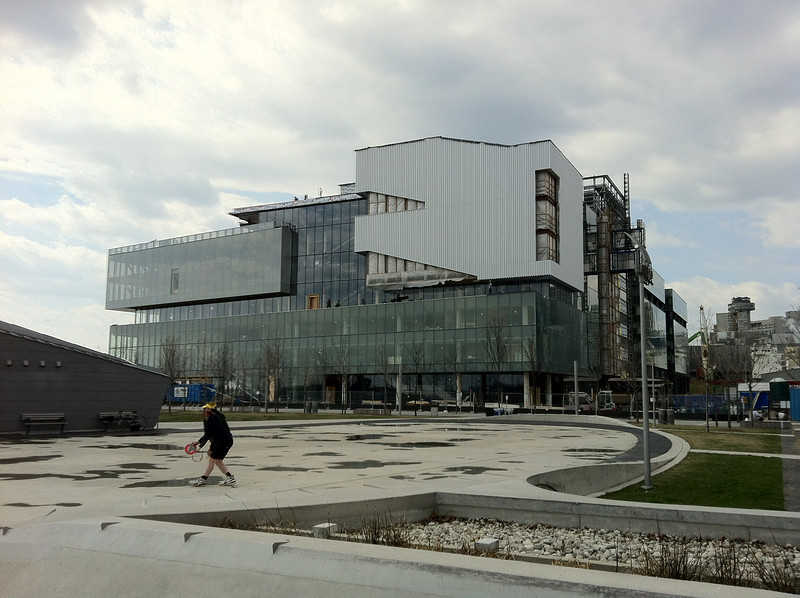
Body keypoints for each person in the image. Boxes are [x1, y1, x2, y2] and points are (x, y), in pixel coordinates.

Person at [189, 402, 236, 486]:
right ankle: (230, 478)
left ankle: (203, 479)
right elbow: (208, 434)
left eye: (204, 409)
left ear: (209, 410)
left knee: (212, 460)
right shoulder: (214, 418)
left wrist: (211, 448)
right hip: (226, 441)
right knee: (218, 461)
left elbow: (217, 436)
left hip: (222, 442)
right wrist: (198, 443)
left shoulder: (214, 420)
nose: (202, 411)